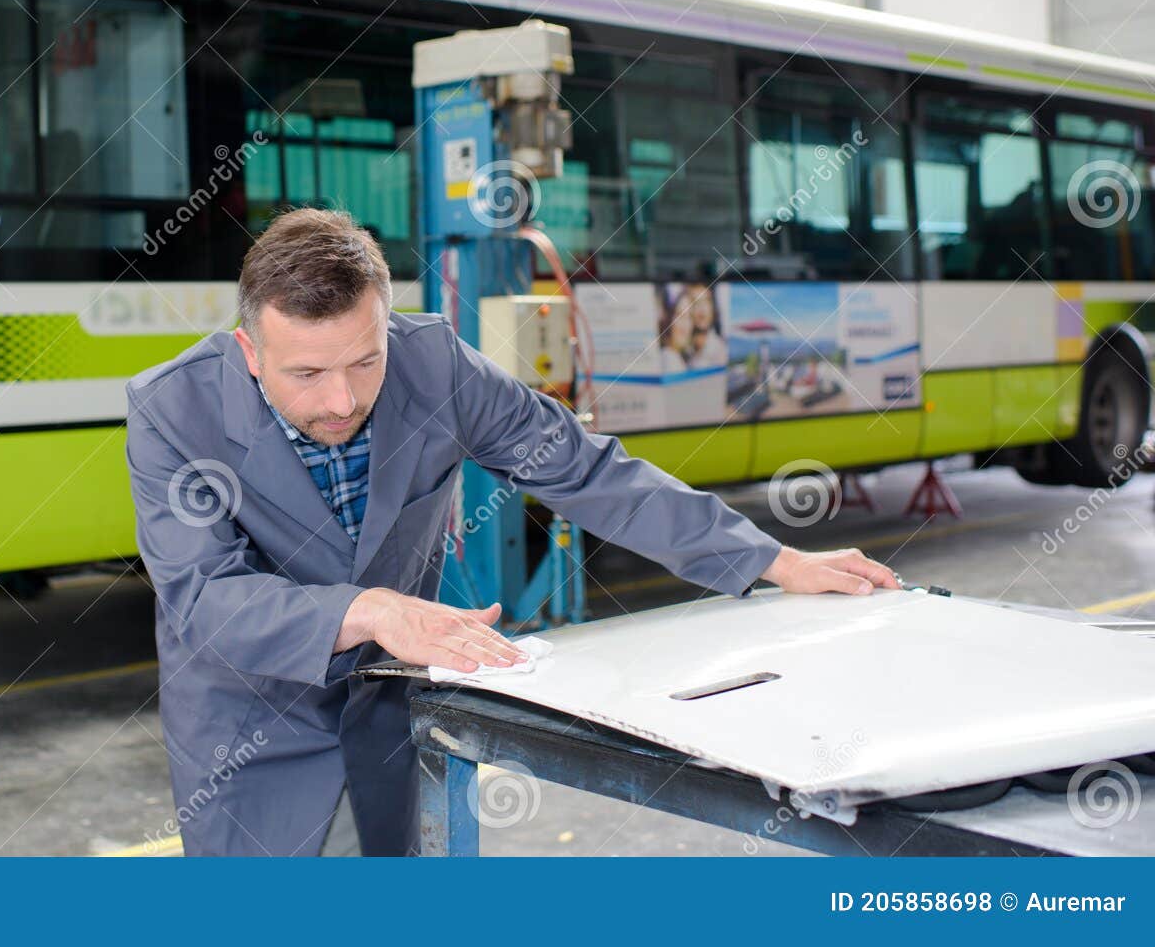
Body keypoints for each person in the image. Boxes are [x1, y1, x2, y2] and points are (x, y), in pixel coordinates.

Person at [125, 207, 897, 857]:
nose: (342, 400)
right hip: (253, 736)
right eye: (306, 375)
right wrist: (370, 609)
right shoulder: (172, 412)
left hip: (386, 719)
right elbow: (205, 597)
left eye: (364, 362)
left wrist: (769, 558)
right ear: (249, 351)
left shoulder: (434, 366)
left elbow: (586, 470)